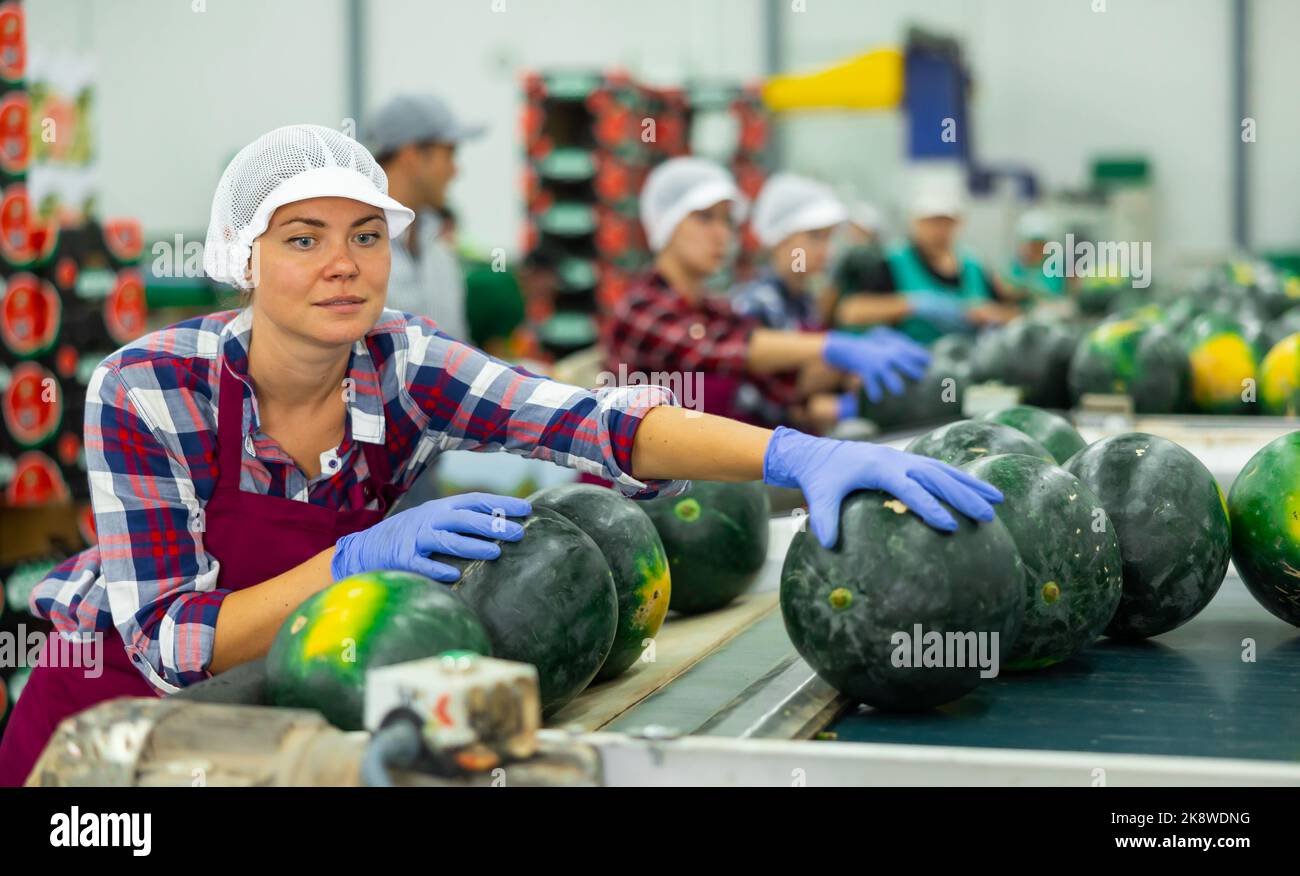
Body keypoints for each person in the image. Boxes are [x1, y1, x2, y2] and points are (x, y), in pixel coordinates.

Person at [0, 127, 1002, 785]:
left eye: (364, 235)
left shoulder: (401, 364)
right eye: (302, 239)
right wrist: (352, 562)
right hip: (108, 732)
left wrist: (799, 455)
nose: (342, 263)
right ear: (242, 260)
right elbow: (171, 642)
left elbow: (600, 422)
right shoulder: (147, 389)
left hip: (296, 703)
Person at [602, 157, 935, 434]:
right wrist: (834, 347)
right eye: (704, 218)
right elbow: (716, 351)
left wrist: (847, 374)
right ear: (665, 223)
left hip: (699, 483)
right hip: (627, 491)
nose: (722, 234)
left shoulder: (717, 311)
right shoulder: (641, 308)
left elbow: (775, 382)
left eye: (728, 221)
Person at [832, 173, 1019, 343]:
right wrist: (913, 305)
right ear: (914, 221)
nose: (938, 230)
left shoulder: (974, 265)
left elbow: (1014, 315)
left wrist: (990, 315)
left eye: (945, 222)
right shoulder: (891, 262)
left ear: (959, 223)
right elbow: (850, 312)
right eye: (931, 222)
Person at [730, 173, 852, 429]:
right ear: (780, 237)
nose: (826, 249)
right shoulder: (755, 303)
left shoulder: (805, 301)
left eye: (829, 237)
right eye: (815, 236)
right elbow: (751, 399)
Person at [365, 93, 481, 340]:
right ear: (413, 156)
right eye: (449, 153)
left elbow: (457, 351)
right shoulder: (354, 246)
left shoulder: (438, 245)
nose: (455, 170)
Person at [1001, 209, 1067, 301]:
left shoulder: (1055, 269)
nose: (1035, 250)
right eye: (1032, 245)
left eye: (1039, 245)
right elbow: (1007, 290)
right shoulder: (1014, 268)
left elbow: (1056, 294)